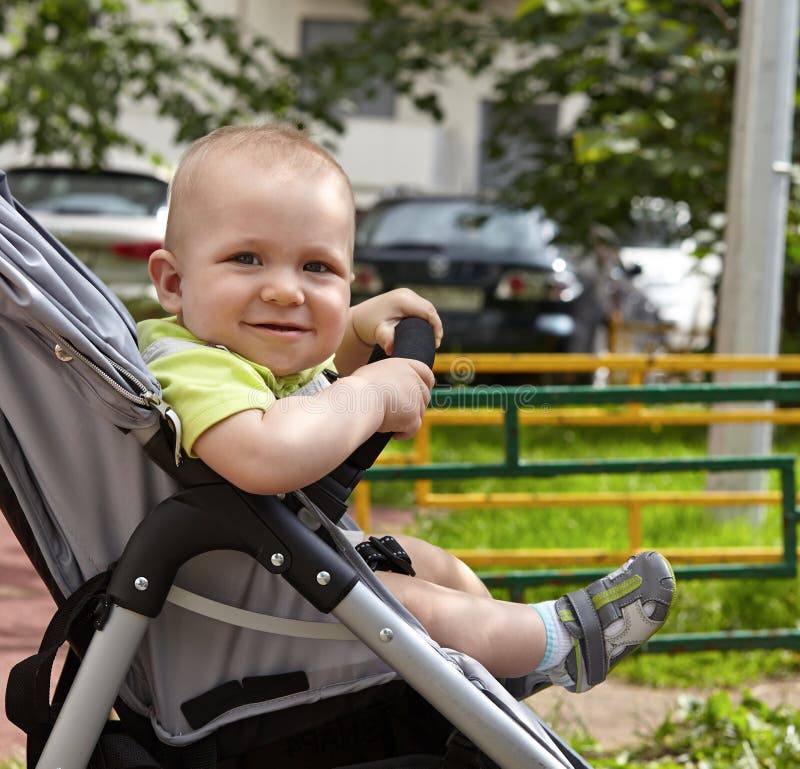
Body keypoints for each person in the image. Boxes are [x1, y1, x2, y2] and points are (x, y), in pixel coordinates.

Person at [137, 123, 675, 689]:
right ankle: (558, 641)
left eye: (317, 268)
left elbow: (309, 395)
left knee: (436, 566)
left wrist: (353, 331)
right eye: (247, 259)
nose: (286, 292)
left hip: (270, 568)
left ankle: (502, 668)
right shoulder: (189, 364)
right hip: (233, 601)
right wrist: (372, 391)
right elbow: (266, 453)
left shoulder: (237, 357)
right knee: (420, 605)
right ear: (173, 282)